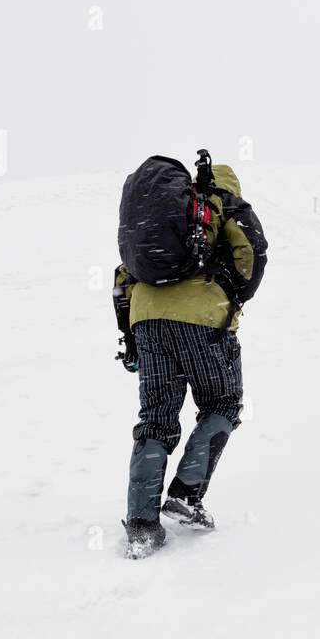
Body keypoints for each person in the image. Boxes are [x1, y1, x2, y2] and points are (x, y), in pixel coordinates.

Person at [113, 155, 267, 557]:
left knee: (157, 417)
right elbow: (252, 255)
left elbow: (123, 275)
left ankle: (143, 525)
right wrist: (231, 296)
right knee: (223, 402)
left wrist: (132, 332)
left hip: (147, 320)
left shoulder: (166, 218)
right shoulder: (224, 204)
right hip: (203, 319)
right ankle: (186, 494)